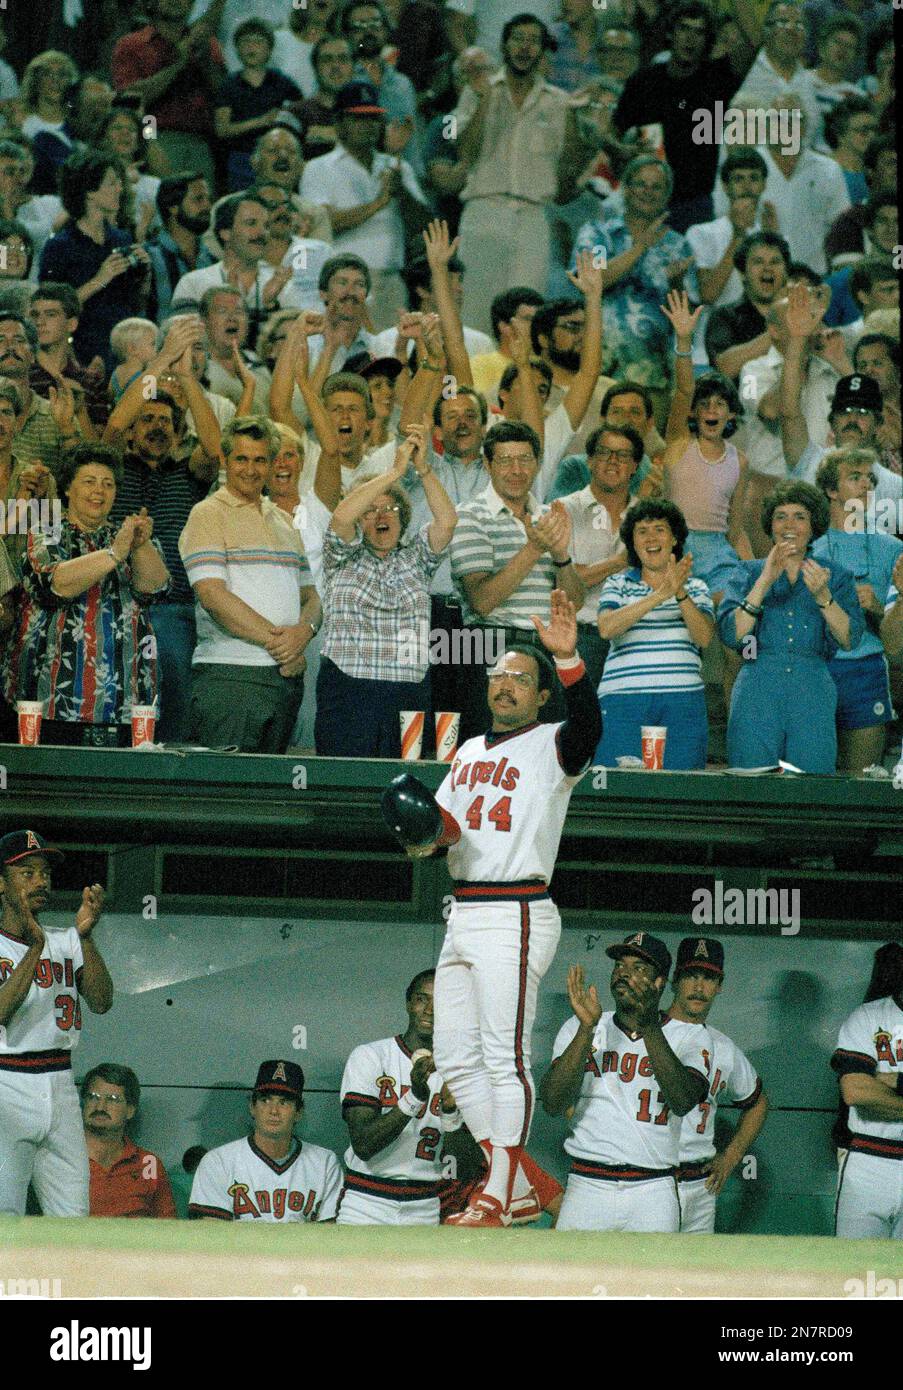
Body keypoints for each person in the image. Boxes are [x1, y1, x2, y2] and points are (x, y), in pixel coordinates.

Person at [408, 589, 601, 1225]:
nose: (506, 686)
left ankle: (499, 1192)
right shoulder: (465, 750)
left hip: (516, 907)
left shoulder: (552, 742)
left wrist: (568, 660)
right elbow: (448, 834)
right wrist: (421, 835)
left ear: (542, 694)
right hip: (463, 910)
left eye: (521, 678)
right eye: (499, 676)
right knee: (457, 1059)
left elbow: (590, 729)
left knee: (503, 1055)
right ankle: (521, 1182)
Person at [539, 939, 712, 1232]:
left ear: (659, 982)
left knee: (652, 1278)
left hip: (653, 1190)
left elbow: (683, 1101)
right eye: (619, 965)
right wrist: (586, 1029)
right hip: (587, 1184)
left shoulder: (691, 1036)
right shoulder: (583, 1025)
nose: (623, 973)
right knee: (573, 1277)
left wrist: (648, 1026)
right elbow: (553, 1103)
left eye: (638, 968)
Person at [4, 442, 170, 747]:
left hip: (125, 705)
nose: (100, 491)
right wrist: (115, 553)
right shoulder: (48, 528)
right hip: (50, 702)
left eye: (108, 484)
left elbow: (156, 589)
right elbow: (54, 584)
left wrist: (141, 544)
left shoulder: (124, 536)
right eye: (89, 482)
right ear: (68, 489)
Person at [179, 415, 320, 753]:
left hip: (285, 679)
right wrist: (283, 646)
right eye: (241, 458)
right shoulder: (207, 513)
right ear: (225, 461)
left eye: (260, 460)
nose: (251, 469)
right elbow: (212, 596)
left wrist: (305, 631)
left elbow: (312, 595)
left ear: (271, 464)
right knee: (226, 795)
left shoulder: (286, 521)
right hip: (231, 676)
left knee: (270, 797)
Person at [315, 425, 457, 757]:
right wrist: (394, 472)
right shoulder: (341, 556)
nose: (381, 515)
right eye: (370, 511)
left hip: (408, 694)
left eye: (390, 509)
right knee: (345, 789)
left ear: (402, 518)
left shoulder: (417, 559)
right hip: (348, 692)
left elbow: (447, 522)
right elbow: (340, 517)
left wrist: (422, 469)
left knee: (402, 787)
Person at [449, 421, 586, 743]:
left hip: (547, 651)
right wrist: (535, 548)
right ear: (487, 465)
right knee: (489, 751)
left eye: (525, 459)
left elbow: (575, 603)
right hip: (490, 647)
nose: (516, 469)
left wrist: (561, 555)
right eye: (505, 460)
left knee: (546, 755)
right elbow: (482, 600)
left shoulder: (547, 518)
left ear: (537, 464)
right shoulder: (470, 515)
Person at [452, 14, 586, 338]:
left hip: (532, 215)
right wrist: (484, 97)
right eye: (518, 38)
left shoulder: (559, 102)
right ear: (503, 45)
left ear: (542, 52)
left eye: (533, 41)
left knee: (528, 313)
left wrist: (577, 126)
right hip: (484, 209)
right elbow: (465, 152)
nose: (525, 47)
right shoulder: (477, 92)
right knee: (475, 311)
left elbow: (569, 175)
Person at [0, 828, 112, 1217]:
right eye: (26, 872)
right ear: (0, 883)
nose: (40, 881)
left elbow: (101, 1001)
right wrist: (34, 947)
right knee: (4, 1216)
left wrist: (87, 937)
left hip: (62, 1083)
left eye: (44, 873)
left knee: (73, 1217)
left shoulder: (67, 940)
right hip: (7, 1083)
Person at [718, 479, 864, 771]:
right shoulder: (747, 571)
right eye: (780, 516)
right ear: (770, 525)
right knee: (750, 781)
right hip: (757, 686)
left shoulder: (836, 575)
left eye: (800, 517)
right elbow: (732, 635)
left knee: (812, 785)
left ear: (813, 527)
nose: (789, 525)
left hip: (812, 687)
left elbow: (850, 639)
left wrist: (823, 596)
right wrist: (764, 581)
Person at [337, 970, 482, 1225]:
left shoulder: (462, 1070)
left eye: (442, 1002)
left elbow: (467, 1168)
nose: (430, 1010)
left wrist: (450, 1114)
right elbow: (363, 1145)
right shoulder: (371, 1056)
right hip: (366, 1201)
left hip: (424, 1204)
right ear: (408, 1004)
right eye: (421, 999)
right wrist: (414, 1097)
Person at [611, 1, 759, 232]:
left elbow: (754, 41)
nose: (690, 38)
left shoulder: (717, 79)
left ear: (707, 39)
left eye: (699, 32)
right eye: (683, 29)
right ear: (670, 33)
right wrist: (623, 151)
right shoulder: (643, 81)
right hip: (644, 199)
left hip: (694, 205)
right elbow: (613, 132)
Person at [299, 80, 429, 333]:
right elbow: (323, 224)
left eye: (373, 118)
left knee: (392, 359)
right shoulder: (318, 168)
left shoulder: (396, 167)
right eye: (358, 118)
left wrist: (401, 193)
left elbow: (425, 227)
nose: (367, 125)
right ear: (338, 123)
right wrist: (378, 203)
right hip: (342, 283)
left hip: (391, 278)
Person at [573, 156, 693, 425]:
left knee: (649, 461)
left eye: (656, 187)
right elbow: (594, 280)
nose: (647, 192)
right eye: (640, 184)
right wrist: (641, 246)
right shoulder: (599, 235)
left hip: (653, 375)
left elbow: (685, 314)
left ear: (667, 195)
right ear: (625, 189)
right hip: (598, 372)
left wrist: (677, 284)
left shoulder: (677, 244)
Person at [596, 498, 715, 768]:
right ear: (634, 544)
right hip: (623, 700)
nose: (651, 537)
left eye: (659, 529)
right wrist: (661, 594)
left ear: (674, 539)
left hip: (683, 701)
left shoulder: (696, 586)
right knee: (619, 786)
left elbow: (704, 637)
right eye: (642, 531)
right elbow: (607, 628)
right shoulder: (618, 582)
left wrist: (679, 592)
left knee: (683, 789)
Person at [780, 282, 903, 532]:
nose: (853, 419)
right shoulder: (809, 460)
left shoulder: (894, 485)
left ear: (879, 422)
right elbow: (789, 411)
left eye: (862, 413)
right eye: (845, 412)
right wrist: (797, 340)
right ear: (832, 420)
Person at [666, 937, 768, 1234]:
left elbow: (757, 1103)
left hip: (700, 1184)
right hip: (652, 1179)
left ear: (719, 985)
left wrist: (731, 1156)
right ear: (675, 981)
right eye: (691, 976)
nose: (699, 987)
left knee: (695, 1277)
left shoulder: (724, 1048)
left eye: (708, 977)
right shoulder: (648, 1034)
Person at [812, 447, 902, 772]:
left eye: (870, 478)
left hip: (867, 673)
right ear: (831, 490)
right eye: (855, 477)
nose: (866, 485)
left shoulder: (894, 549)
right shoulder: (811, 550)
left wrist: (878, 608)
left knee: (863, 781)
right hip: (818, 671)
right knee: (814, 783)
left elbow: (897, 643)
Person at [660, 290, 752, 604]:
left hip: (718, 554)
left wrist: (752, 571)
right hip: (674, 546)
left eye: (720, 404)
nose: (711, 410)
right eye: (705, 404)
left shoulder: (739, 460)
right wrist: (684, 342)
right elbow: (685, 388)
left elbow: (735, 527)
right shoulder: (678, 445)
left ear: (731, 414)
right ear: (694, 412)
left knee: (731, 612)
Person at [37, 150, 153, 374]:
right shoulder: (60, 246)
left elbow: (137, 302)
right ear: (89, 190)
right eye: (111, 183)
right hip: (82, 353)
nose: (120, 189)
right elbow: (50, 310)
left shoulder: (122, 239)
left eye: (120, 182)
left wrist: (145, 272)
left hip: (126, 352)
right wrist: (100, 279)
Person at [188, 1060, 342, 1222]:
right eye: (265, 1100)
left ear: (299, 1112)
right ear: (252, 1107)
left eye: (284, 1102)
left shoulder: (324, 1162)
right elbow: (211, 1238)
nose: (274, 1111)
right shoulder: (218, 1162)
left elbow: (330, 1239)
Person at [110, 0, 226, 189]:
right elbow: (130, 97)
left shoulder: (207, 42)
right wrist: (178, 64)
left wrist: (204, 59)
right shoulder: (131, 44)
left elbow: (223, 93)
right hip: (151, 133)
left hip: (200, 141)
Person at [831, 941, 903, 1239]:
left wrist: (890, 1080)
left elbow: (869, 1086)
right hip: (868, 1160)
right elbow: (856, 1091)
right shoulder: (867, 1016)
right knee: (853, 1274)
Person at [557, 424, 637, 690]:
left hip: (633, 637)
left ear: (635, 465)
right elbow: (563, 582)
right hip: (582, 635)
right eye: (604, 453)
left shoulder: (646, 515)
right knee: (579, 726)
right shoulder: (565, 510)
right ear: (590, 461)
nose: (613, 461)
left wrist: (588, 570)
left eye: (623, 455)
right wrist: (619, 563)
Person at [685, 151, 779, 368]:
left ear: (764, 184)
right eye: (738, 178)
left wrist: (771, 238)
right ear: (726, 187)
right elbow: (708, 294)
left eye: (754, 178)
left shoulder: (772, 233)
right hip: (713, 344)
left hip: (764, 342)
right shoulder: (701, 233)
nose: (747, 185)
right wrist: (738, 234)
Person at [214, 19, 303, 192]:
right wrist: (260, 121)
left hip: (277, 157)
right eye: (245, 42)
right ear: (237, 49)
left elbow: (299, 112)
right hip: (241, 159)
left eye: (258, 42)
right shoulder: (229, 85)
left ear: (269, 50)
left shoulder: (282, 82)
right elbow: (222, 129)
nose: (251, 47)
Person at [81, 1063, 176, 1219]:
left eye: (113, 1099)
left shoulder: (148, 1163)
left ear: (130, 1110)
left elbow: (169, 1227)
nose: (100, 1106)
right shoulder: (60, 1159)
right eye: (93, 1097)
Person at [705, 230, 791, 382]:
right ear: (742, 273)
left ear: (785, 273)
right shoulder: (724, 316)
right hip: (744, 401)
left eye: (775, 262)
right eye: (758, 262)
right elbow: (724, 368)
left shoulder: (800, 312)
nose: (767, 268)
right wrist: (783, 328)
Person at [28, 283, 109, 431]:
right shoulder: (20, 374)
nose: (39, 322)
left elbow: (98, 448)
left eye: (51, 314)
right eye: (35, 315)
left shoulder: (91, 381)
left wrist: (80, 409)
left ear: (71, 324)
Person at [145, 172, 214, 321]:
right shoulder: (147, 258)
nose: (207, 206)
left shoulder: (211, 260)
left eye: (208, 199)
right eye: (198, 199)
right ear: (173, 207)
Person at [469, 287, 545, 398]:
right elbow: (481, 406)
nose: (537, 326)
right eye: (528, 319)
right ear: (505, 326)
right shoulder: (481, 365)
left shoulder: (547, 365)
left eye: (540, 320)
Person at [822, 93, 878, 203]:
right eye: (864, 131)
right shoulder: (823, 172)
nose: (872, 136)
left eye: (875, 129)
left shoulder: (874, 174)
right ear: (840, 134)